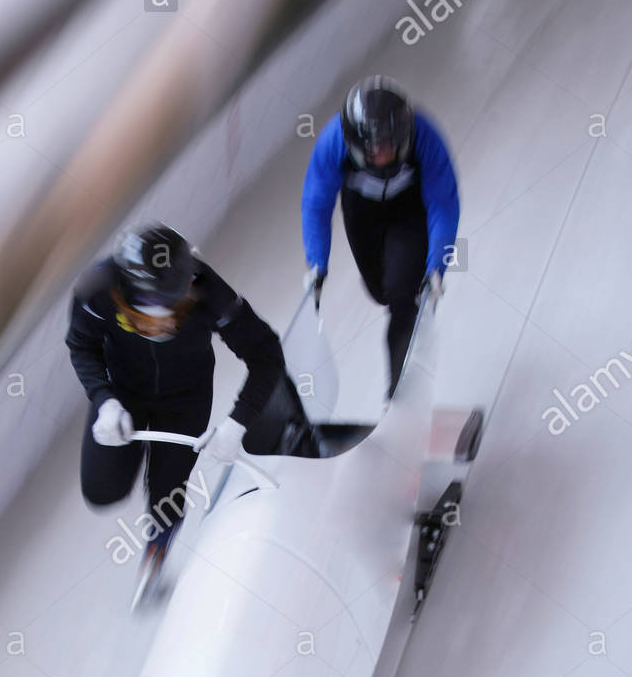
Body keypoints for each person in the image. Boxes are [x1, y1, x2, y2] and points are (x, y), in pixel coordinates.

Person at [66, 223, 285, 589]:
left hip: (186, 393)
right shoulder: (97, 289)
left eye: (178, 306)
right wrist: (104, 400)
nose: (168, 320)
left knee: (168, 489)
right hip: (123, 394)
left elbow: (266, 354)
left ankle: (157, 546)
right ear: (126, 296)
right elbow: (81, 344)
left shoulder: (208, 290)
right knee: (102, 490)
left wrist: (237, 423)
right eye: (155, 311)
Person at [301, 75, 459, 397]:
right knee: (381, 291)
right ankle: (404, 310)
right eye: (375, 151)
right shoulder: (333, 143)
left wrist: (436, 267)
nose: (384, 157)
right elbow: (316, 204)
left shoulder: (425, 136)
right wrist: (317, 264)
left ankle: (399, 392)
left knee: (403, 294)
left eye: (391, 146)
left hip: (409, 212)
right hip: (363, 215)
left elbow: (444, 203)